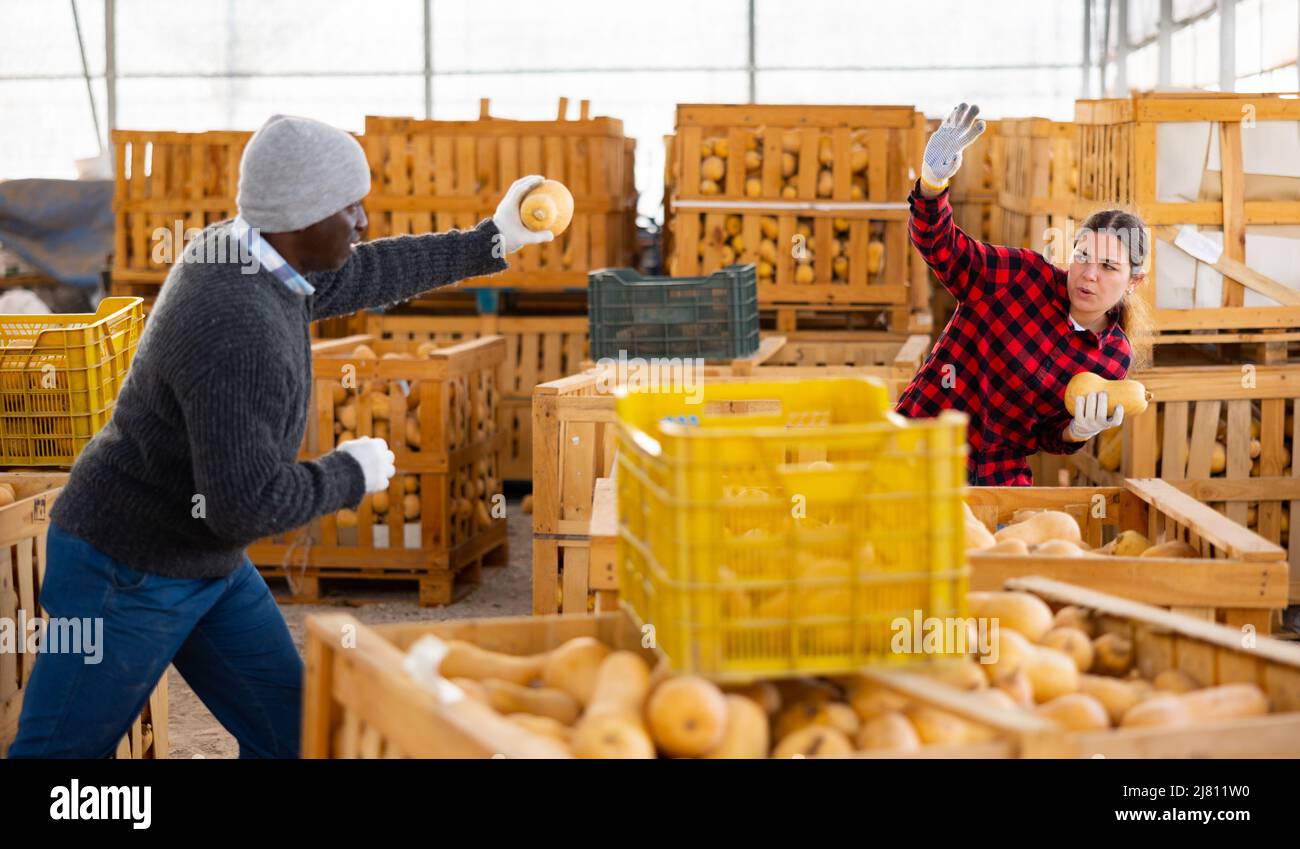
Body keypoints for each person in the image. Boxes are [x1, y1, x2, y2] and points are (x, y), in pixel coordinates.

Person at [9, 114, 551, 758]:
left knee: (298, 737)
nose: (362, 220)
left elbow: (368, 272)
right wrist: (349, 473)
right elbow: (244, 501)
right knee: (56, 763)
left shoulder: (252, 252)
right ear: (299, 220)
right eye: (349, 207)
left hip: (205, 561)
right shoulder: (236, 322)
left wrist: (492, 241)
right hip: (127, 566)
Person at [895, 103, 1153, 485]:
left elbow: (1047, 434)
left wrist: (1076, 432)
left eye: (1109, 267)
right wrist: (932, 184)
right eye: (1083, 256)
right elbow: (941, 246)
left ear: (1135, 281)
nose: (1088, 275)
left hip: (996, 476)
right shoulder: (1020, 277)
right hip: (919, 448)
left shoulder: (1114, 355)